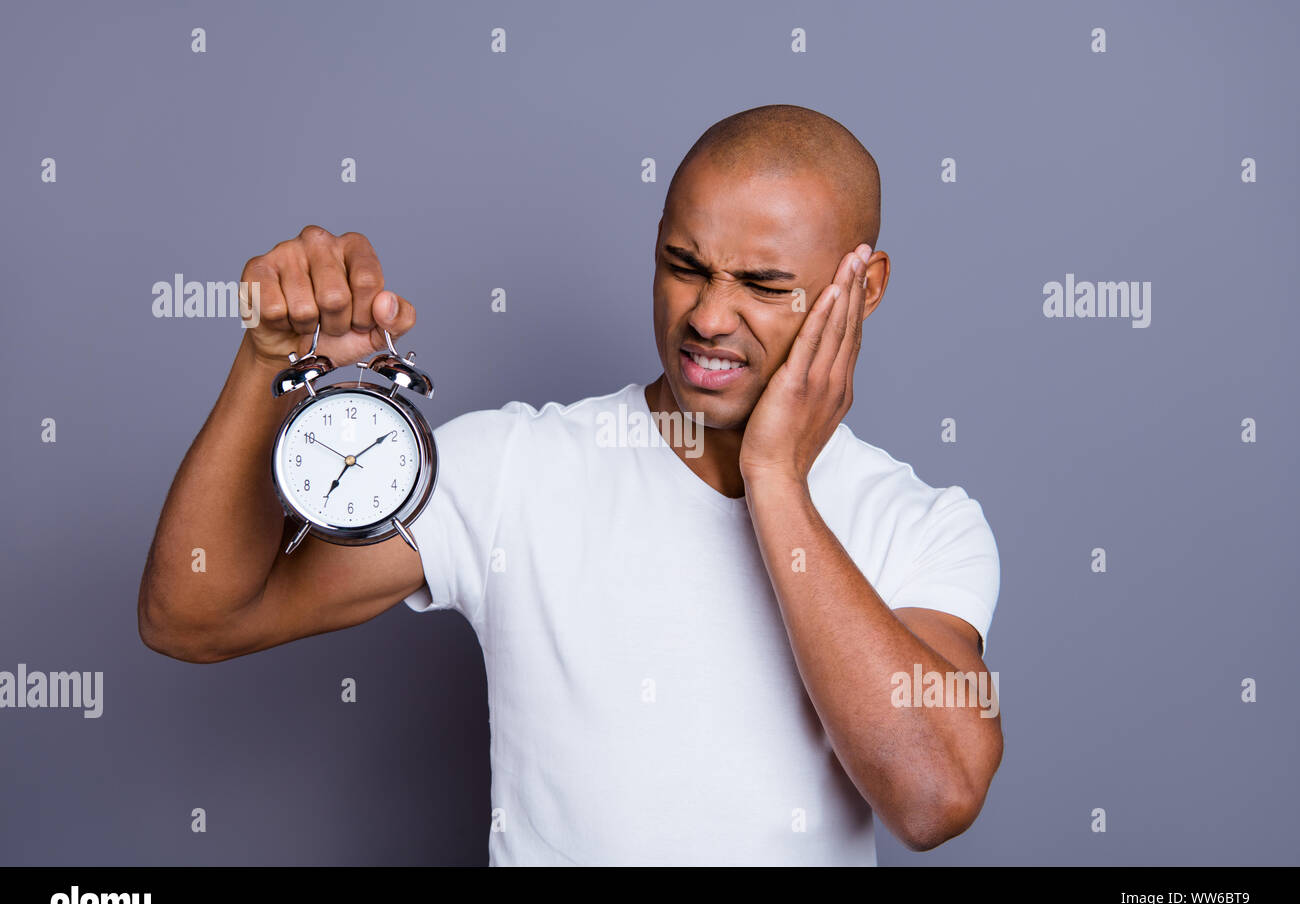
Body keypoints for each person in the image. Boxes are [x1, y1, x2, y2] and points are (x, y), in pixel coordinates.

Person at [138, 104, 1002, 865]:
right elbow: (197, 617)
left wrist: (774, 477)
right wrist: (265, 362)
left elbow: (933, 799)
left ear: (867, 287)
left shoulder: (922, 525)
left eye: (764, 285)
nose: (707, 316)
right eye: (685, 265)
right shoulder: (517, 467)